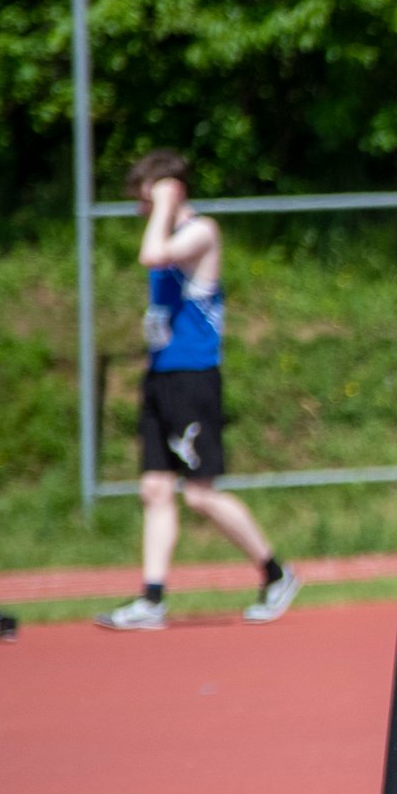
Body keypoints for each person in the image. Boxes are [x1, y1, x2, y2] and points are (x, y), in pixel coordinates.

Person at [95, 151, 300, 630]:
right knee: (155, 488)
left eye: (147, 199)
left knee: (200, 494)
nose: (142, 210)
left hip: (193, 377)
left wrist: (165, 201)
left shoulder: (200, 231)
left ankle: (276, 574)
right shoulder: (168, 232)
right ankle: (151, 598)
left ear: (172, 190)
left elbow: (152, 254)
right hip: (162, 376)